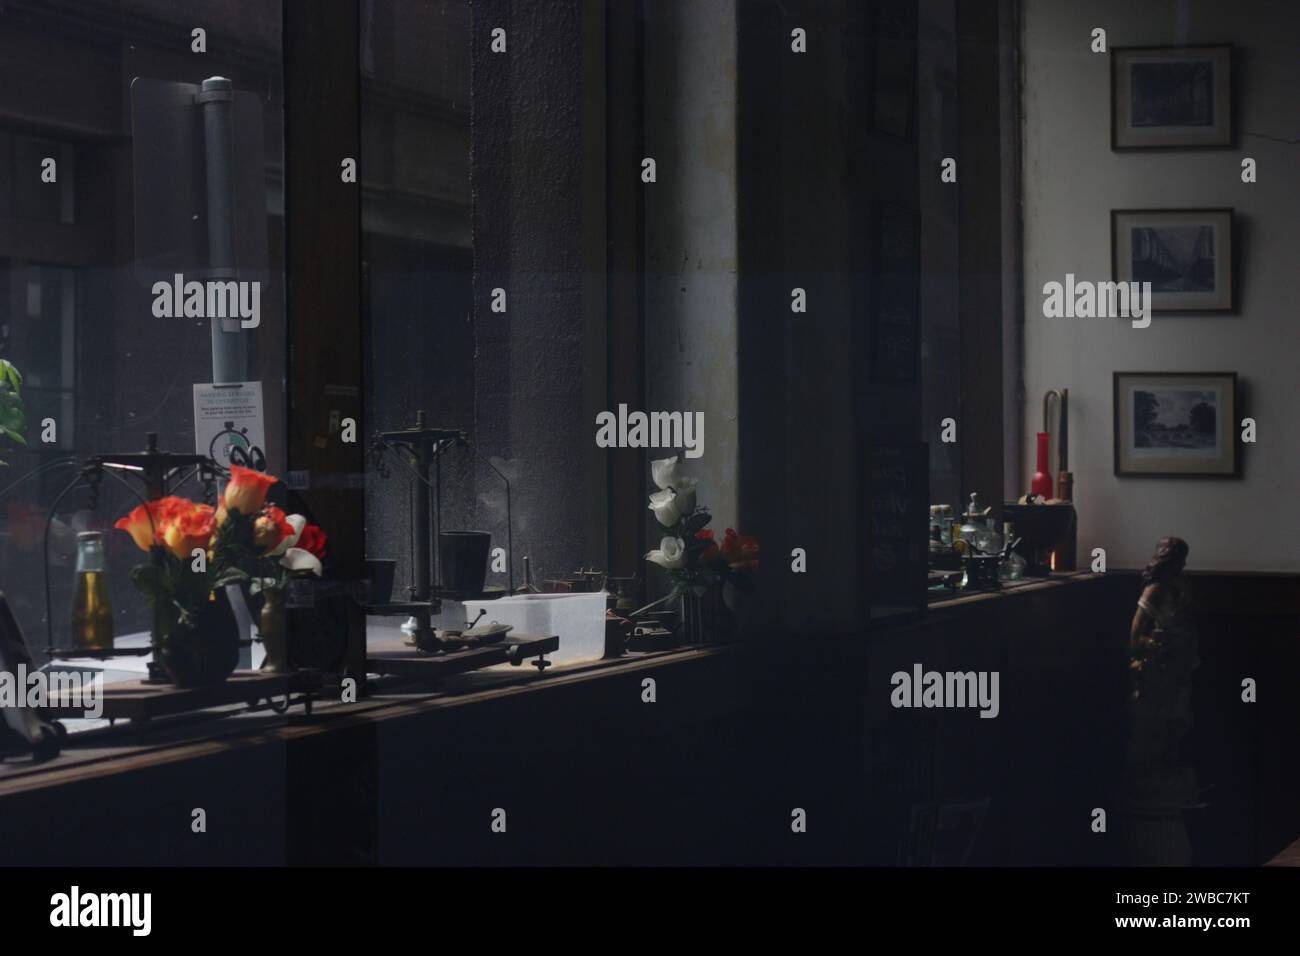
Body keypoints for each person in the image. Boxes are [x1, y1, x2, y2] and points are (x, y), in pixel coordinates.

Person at [1124, 536, 1201, 862]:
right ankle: (1156, 770)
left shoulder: (1179, 585)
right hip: (1161, 668)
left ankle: (1168, 765)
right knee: (1158, 723)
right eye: (1178, 560)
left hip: (1181, 666)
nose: (1181, 566)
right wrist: (1151, 647)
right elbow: (1136, 635)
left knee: (1179, 720)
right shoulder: (1154, 591)